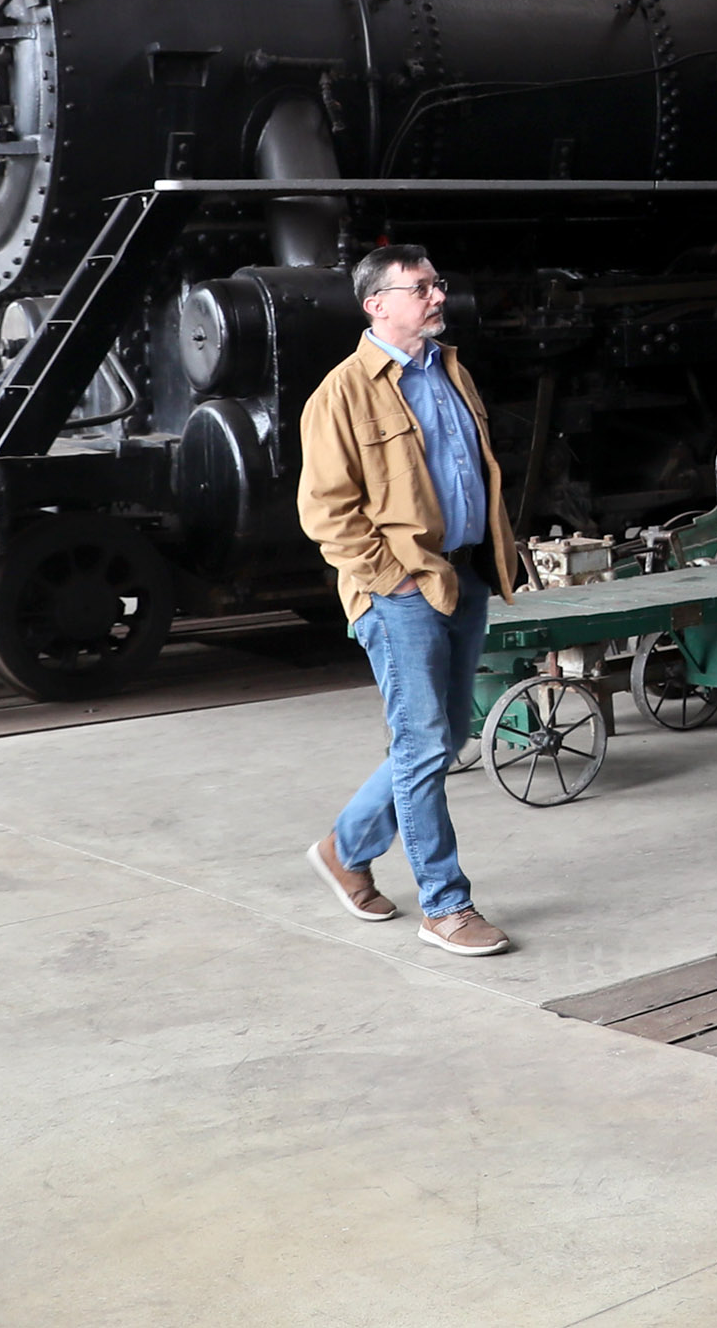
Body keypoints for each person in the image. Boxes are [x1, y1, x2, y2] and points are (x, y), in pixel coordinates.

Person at [298, 242, 519, 957]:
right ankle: (445, 905)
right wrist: (388, 575)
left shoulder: (451, 369)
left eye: (437, 283)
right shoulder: (341, 392)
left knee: (448, 736)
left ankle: (345, 846)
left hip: (464, 576)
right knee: (423, 742)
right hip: (402, 590)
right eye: (420, 287)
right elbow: (326, 510)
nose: (436, 296)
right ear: (376, 303)